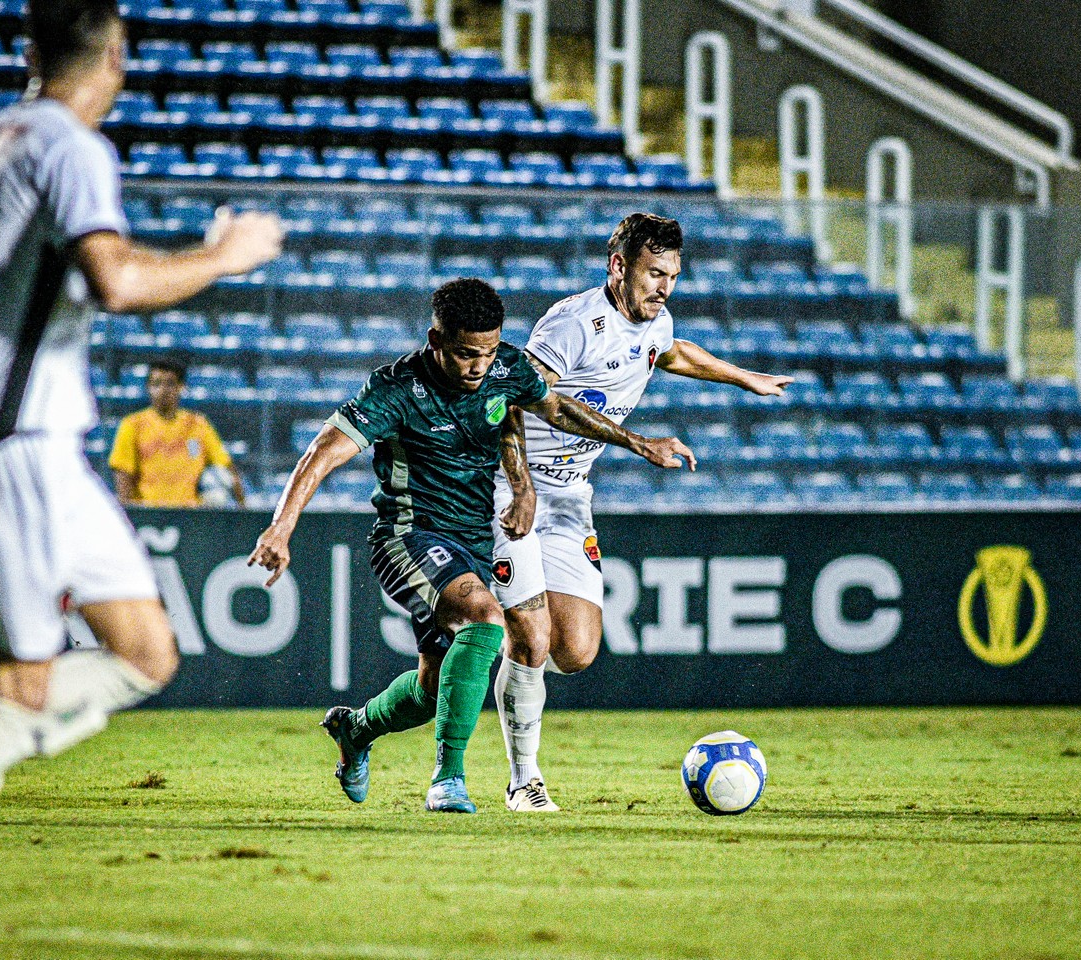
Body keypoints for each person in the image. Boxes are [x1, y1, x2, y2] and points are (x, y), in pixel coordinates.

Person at [0, 0, 283, 945]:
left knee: (147, 654)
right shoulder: (70, 146)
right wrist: (225, 255)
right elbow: (116, 279)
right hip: (14, 445)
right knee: (20, 683)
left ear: (29, 50)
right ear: (116, 52)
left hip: (31, 443)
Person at [248, 277, 694, 814]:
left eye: (487, 351)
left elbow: (557, 408)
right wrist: (281, 526)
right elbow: (323, 452)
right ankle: (448, 779)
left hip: (474, 540)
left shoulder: (505, 367)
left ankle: (357, 729)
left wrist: (636, 442)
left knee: (434, 691)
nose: (479, 366)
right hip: (409, 536)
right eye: (465, 354)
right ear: (435, 340)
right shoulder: (396, 390)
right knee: (486, 621)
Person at [491, 213, 794, 812]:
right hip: (511, 489)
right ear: (618, 266)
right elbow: (517, 399)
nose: (664, 287)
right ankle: (522, 780)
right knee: (533, 637)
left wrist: (742, 378)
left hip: (573, 496)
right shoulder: (573, 324)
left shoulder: (656, 321)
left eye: (673, 276)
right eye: (654, 273)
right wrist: (632, 445)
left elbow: (670, 352)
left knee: (574, 651)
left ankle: (485, 645)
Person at [108, 357, 247, 507]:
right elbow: (123, 474)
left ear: (181, 387)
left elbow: (226, 468)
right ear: (148, 387)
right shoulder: (133, 425)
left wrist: (242, 506)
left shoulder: (198, 424)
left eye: (170, 384)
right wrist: (131, 513)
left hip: (190, 514)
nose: (163, 390)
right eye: (156, 384)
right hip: (150, 513)